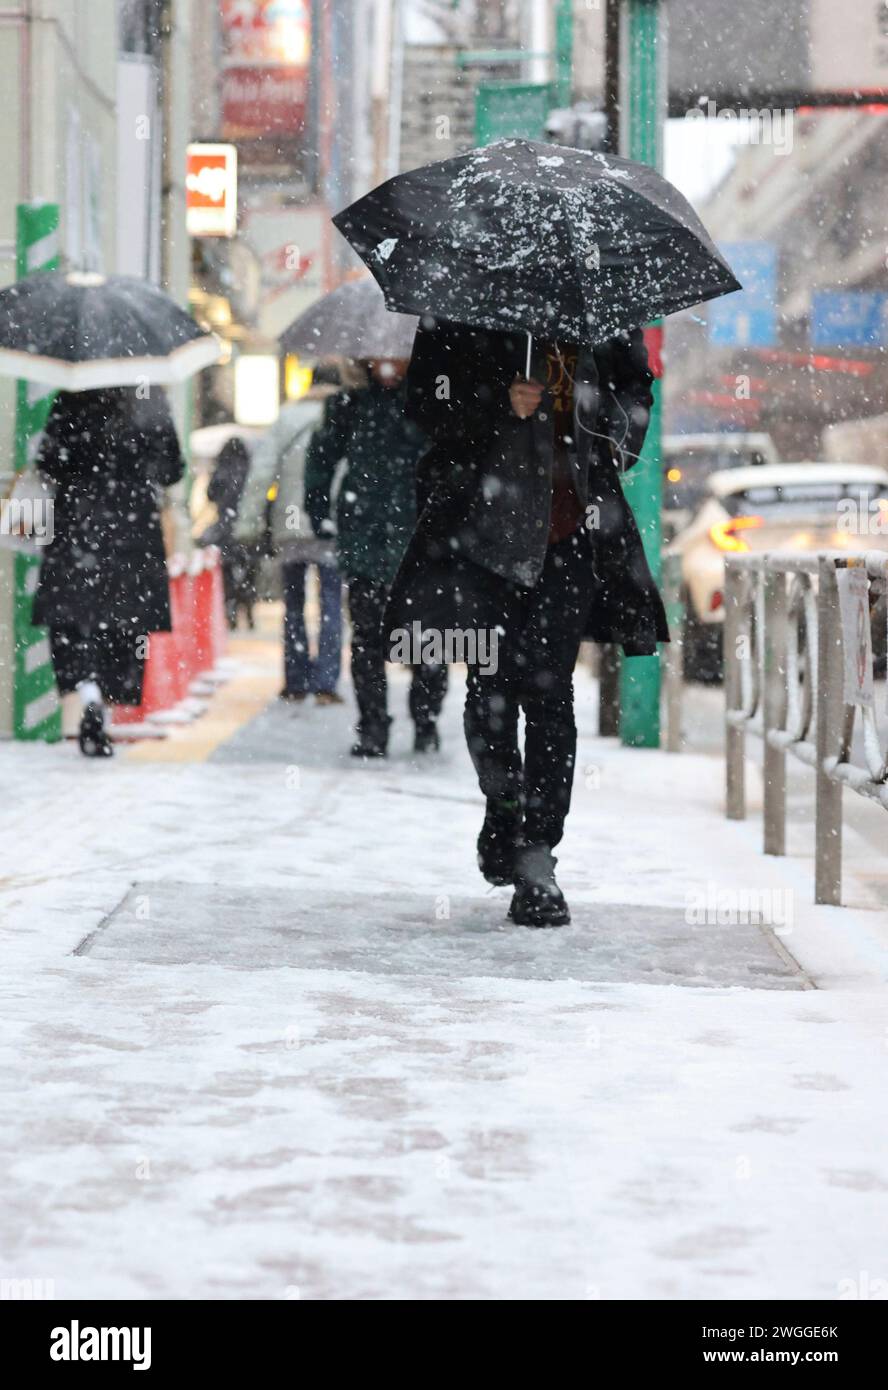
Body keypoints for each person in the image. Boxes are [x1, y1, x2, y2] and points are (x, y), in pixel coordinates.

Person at [386, 319, 668, 926]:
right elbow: (426, 399)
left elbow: (635, 390)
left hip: (572, 537)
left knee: (549, 690)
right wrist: (497, 401)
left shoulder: (601, 298)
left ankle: (538, 854)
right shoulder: (465, 300)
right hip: (479, 534)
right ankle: (504, 802)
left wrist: (611, 430)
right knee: (489, 684)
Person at [305, 358, 447, 757]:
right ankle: (372, 726)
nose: (386, 362)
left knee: (426, 639)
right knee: (368, 638)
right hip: (366, 537)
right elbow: (321, 457)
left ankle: (425, 719)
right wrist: (318, 512)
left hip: (421, 540)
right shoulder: (349, 405)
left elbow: (452, 459)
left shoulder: (431, 399)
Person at [33, 386, 185, 757]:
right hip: (132, 529)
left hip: (76, 523)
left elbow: (49, 461)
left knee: (72, 617)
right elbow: (172, 469)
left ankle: (86, 688)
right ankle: (106, 704)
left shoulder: (72, 393)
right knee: (126, 622)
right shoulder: (150, 398)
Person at [235, 386, 343, 705]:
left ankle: (295, 681)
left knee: (293, 604)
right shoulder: (341, 416)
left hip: (291, 522)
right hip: (331, 522)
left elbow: (262, 471)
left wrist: (249, 521)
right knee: (331, 603)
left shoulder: (287, 417)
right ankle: (325, 682)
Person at [202, 436, 257, 630]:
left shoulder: (221, 469)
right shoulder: (250, 470)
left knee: (227, 573)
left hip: (225, 528)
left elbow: (210, 495)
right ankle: (249, 612)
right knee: (249, 571)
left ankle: (230, 610)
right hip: (248, 527)